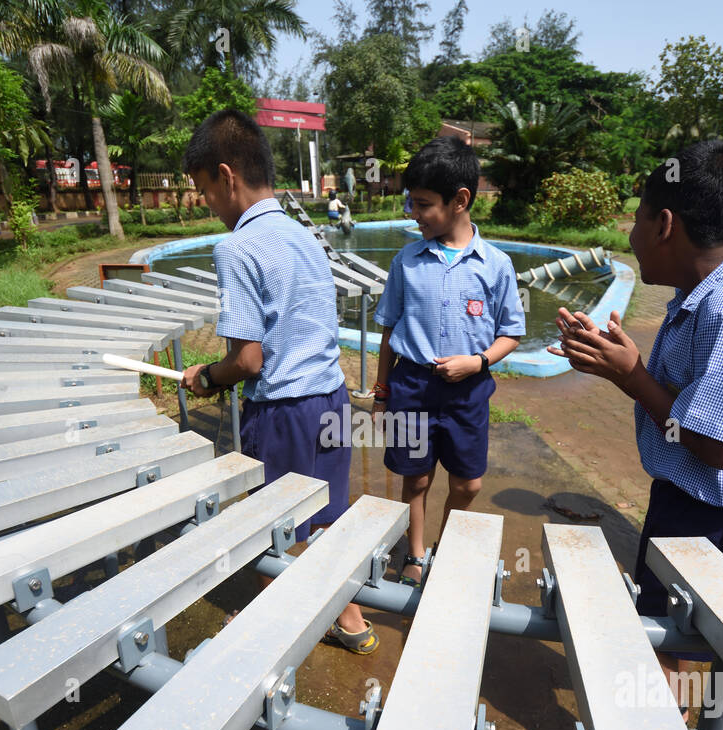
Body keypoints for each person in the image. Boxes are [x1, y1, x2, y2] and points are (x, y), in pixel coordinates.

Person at [552, 140, 723, 710]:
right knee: (668, 634)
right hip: (694, 501)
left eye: (638, 219)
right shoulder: (706, 292)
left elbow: (718, 447)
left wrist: (632, 376)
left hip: (720, 515)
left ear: (664, 223)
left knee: (680, 647)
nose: (630, 236)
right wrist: (621, 359)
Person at [177, 109, 378, 655]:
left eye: (205, 190)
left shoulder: (236, 247)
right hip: (333, 399)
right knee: (329, 516)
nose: (208, 203)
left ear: (227, 175)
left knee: (278, 529)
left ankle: (270, 641)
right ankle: (352, 620)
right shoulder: (304, 233)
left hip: (285, 411)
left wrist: (205, 379)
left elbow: (247, 362)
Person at [372, 136, 525, 586]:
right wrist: (382, 394)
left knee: (468, 484)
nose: (413, 214)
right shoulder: (407, 261)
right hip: (413, 389)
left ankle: (446, 541)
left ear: (460, 200)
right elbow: (387, 331)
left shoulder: (495, 265)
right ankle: (416, 555)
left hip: (468, 393)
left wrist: (478, 362)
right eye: (411, 203)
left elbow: (511, 332)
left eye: (422, 204)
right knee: (415, 477)